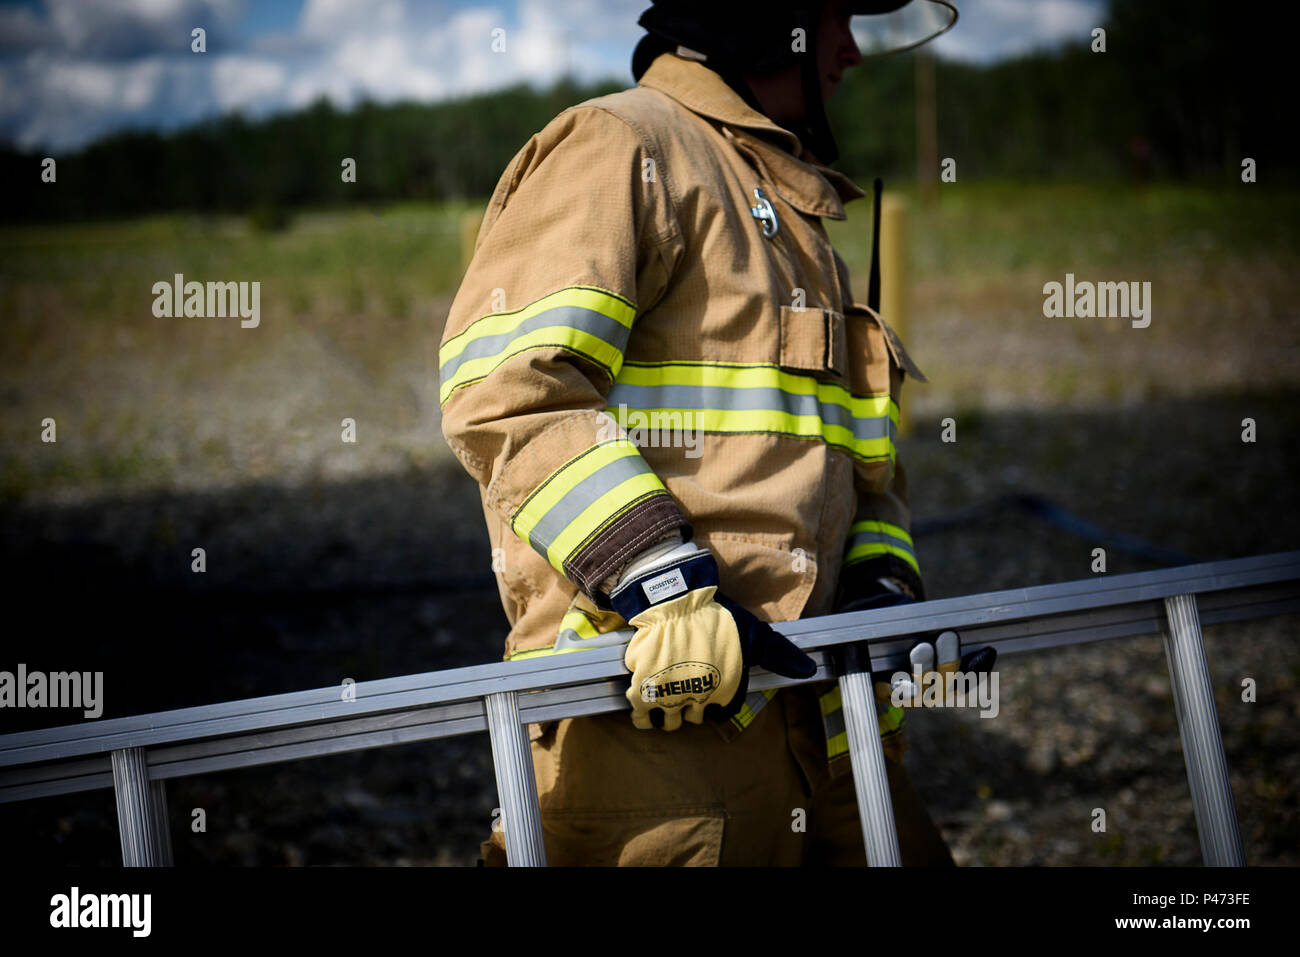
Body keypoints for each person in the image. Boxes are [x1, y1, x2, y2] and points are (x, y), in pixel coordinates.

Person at [439, 0, 960, 866]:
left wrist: (880, 583)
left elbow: (852, 452)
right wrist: (659, 581)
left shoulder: (789, 204)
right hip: (658, 727)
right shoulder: (623, 146)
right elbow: (509, 393)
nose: (853, 51)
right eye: (837, 17)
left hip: (829, 719)